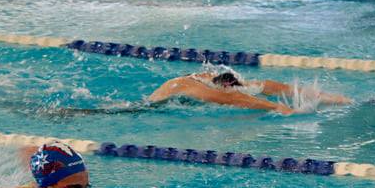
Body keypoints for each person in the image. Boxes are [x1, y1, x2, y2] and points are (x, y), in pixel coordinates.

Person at [147, 70, 351, 113]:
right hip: (151, 108)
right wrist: (280, 108)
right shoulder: (199, 90)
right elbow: (235, 99)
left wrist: (325, 97)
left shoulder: (212, 77)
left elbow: (264, 85)